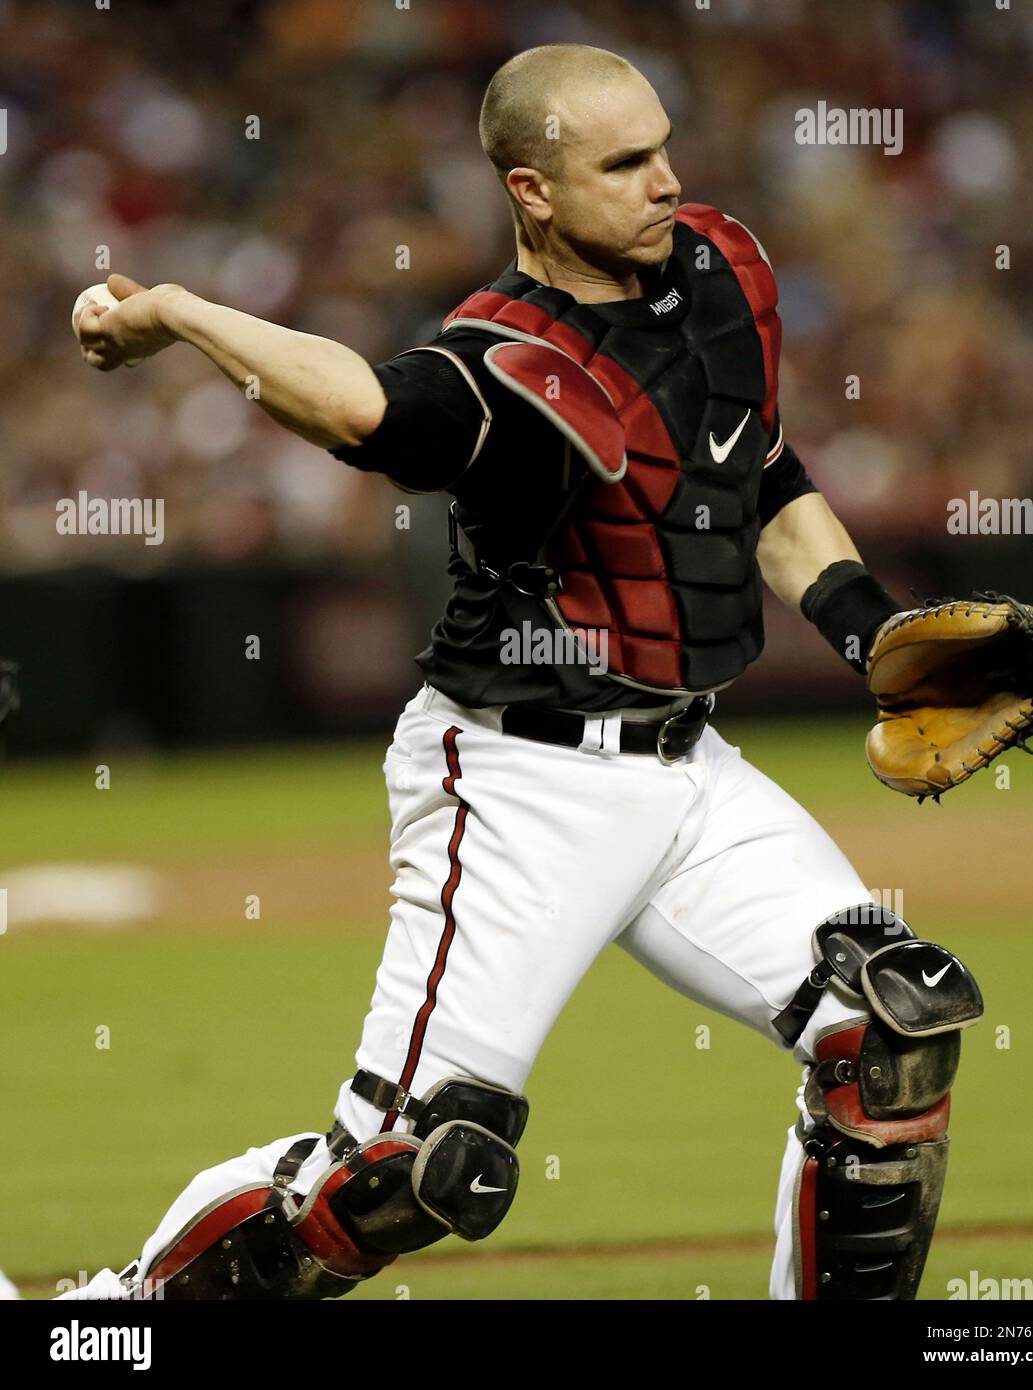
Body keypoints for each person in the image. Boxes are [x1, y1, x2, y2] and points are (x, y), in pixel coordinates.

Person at [66, 44, 981, 1302]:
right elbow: (356, 409)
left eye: (664, 146)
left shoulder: (718, 272)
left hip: (689, 769)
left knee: (891, 1032)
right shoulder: (506, 359)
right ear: (531, 190)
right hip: (518, 784)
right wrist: (174, 310)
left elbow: (757, 473)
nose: (666, 181)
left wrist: (871, 631)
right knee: (401, 1170)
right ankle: (111, 1319)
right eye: (624, 164)